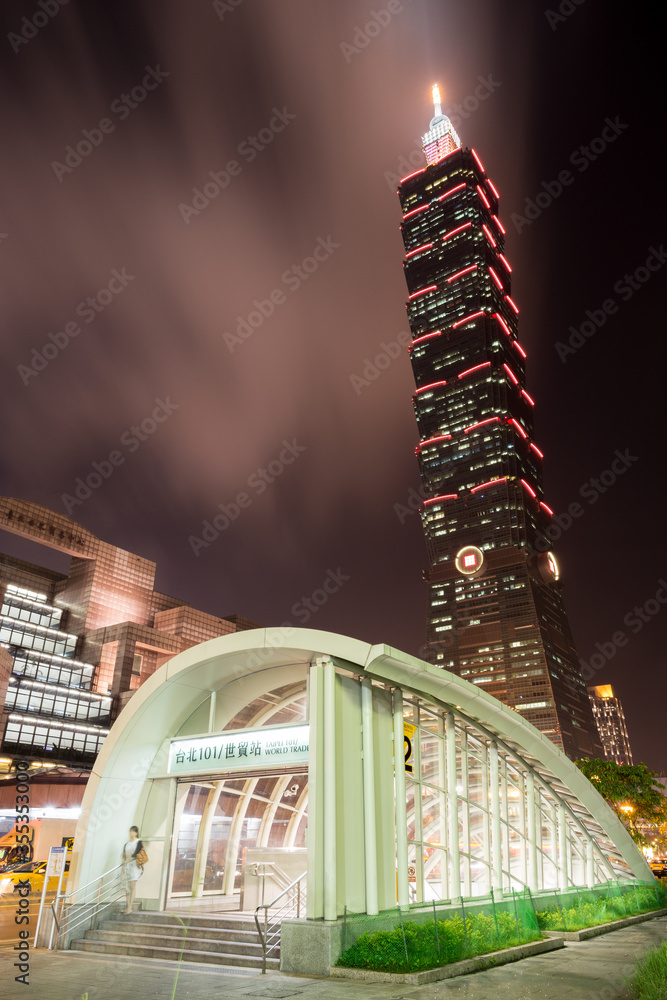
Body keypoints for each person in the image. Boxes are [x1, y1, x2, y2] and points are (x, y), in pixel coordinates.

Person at [120, 825, 143, 914]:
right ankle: (127, 906)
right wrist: (123, 863)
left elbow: (137, 852)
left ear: (136, 833)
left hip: (134, 866)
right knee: (127, 888)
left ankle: (130, 907)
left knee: (132, 886)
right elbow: (124, 855)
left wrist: (130, 859)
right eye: (130, 831)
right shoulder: (126, 844)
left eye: (133, 831)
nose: (131, 833)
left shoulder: (138, 842)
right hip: (127, 866)